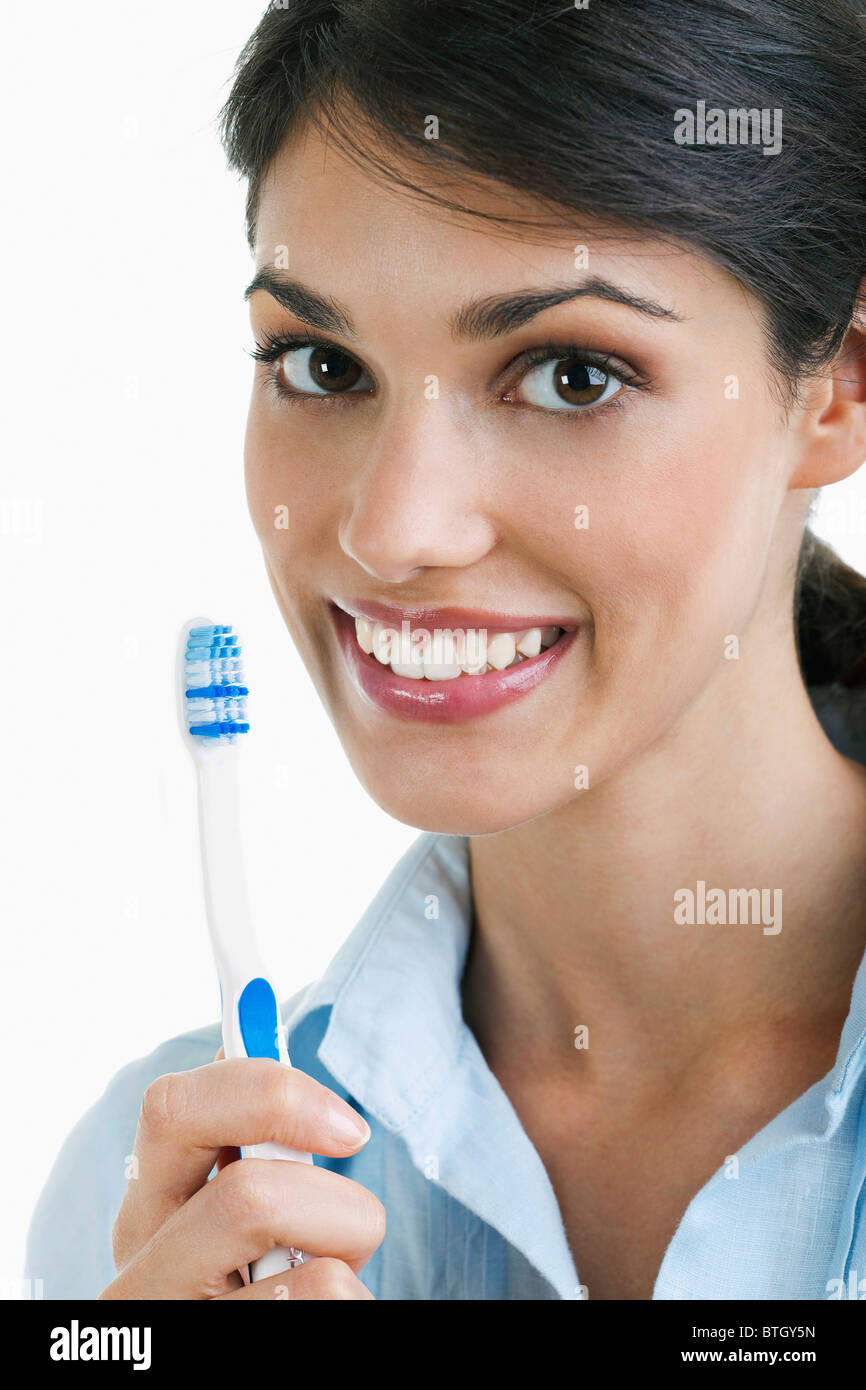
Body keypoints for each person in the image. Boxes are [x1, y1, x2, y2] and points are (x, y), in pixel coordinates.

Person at [27, 0, 866, 1299]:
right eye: (319, 361)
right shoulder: (152, 1205)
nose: (392, 529)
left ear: (838, 384)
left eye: (571, 375)